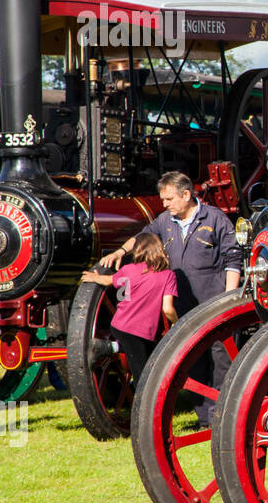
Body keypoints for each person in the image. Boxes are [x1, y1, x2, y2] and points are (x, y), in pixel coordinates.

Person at [101, 171, 242, 424]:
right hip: (183, 305)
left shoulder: (216, 219)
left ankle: (225, 417)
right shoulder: (164, 221)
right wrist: (120, 251)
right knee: (194, 358)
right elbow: (143, 236)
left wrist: (230, 297)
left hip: (214, 301)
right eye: (163, 200)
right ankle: (206, 418)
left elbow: (233, 258)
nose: (164, 204)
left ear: (186, 195)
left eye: (168, 199)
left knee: (222, 359)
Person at [81, 233, 178, 381]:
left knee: (145, 353)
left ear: (138, 250)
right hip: (140, 331)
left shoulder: (129, 269)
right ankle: (143, 402)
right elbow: (168, 309)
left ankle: (108, 347)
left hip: (119, 325)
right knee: (142, 376)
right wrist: (177, 323)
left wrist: (94, 277)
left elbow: (111, 282)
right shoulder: (168, 275)